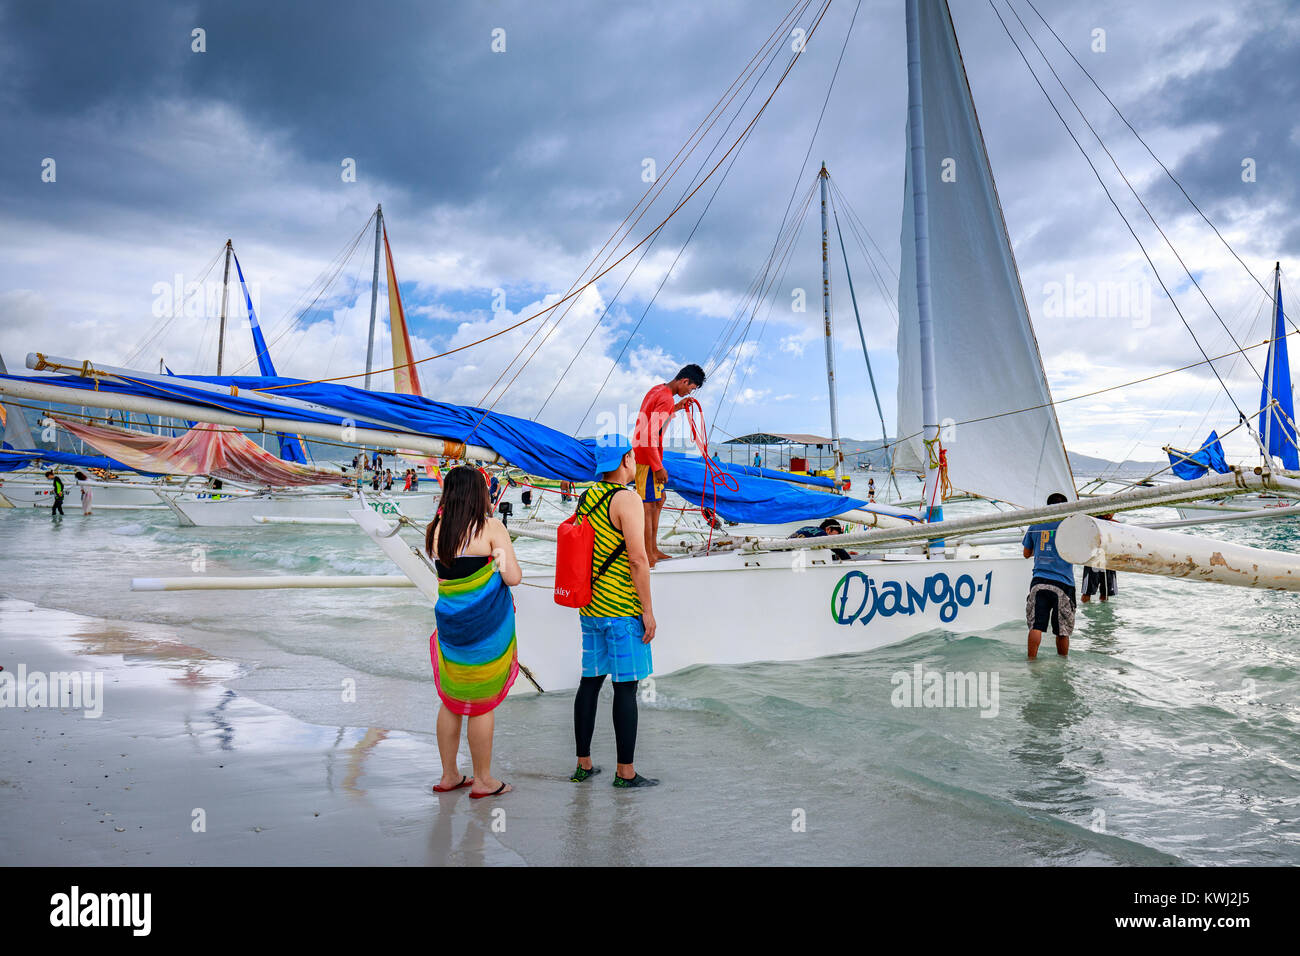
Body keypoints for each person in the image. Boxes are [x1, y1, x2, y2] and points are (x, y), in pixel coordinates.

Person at [425, 465, 523, 799]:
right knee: (481, 703)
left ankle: (450, 774)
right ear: (478, 494)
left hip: (451, 627)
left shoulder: (436, 530)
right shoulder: (491, 527)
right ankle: (482, 779)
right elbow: (513, 578)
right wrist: (498, 559)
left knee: (452, 700)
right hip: (484, 629)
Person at [571, 434, 659, 788]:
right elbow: (638, 559)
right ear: (625, 460)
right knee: (626, 689)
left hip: (590, 607)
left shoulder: (586, 497)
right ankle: (625, 773)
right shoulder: (628, 499)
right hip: (622, 610)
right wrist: (648, 611)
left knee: (589, 683)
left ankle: (584, 765)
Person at [633, 363, 705, 567]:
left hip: (645, 454)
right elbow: (648, 436)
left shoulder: (658, 390)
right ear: (684, 381)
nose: (688, 393)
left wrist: (677, 407)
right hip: (647, 458)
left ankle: (653, 549)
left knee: (658, 500)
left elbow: (653, 418)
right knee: (647, 507)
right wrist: (657, 467)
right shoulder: (665, 399)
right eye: (690, 389)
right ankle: (648, 554)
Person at [1023, 492, 1076, 659]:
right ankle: (1062, 663)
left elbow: (1026, 553)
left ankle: (1031, 661)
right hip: (1063, 583)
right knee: (1062, 631)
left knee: (1036, 626)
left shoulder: (1036, 524)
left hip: (1038, 581)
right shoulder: (1069, 527)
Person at [1081, 515, 1118, 603]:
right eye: (1107, 511)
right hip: (1093, 560)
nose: (1109, 514)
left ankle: (1104, 614)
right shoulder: (1092, 521)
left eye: (1112, 512)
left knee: (1106, 593)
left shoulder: (1115, 524)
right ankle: (1086, 613)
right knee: (1087, 592)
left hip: (1108, 561)